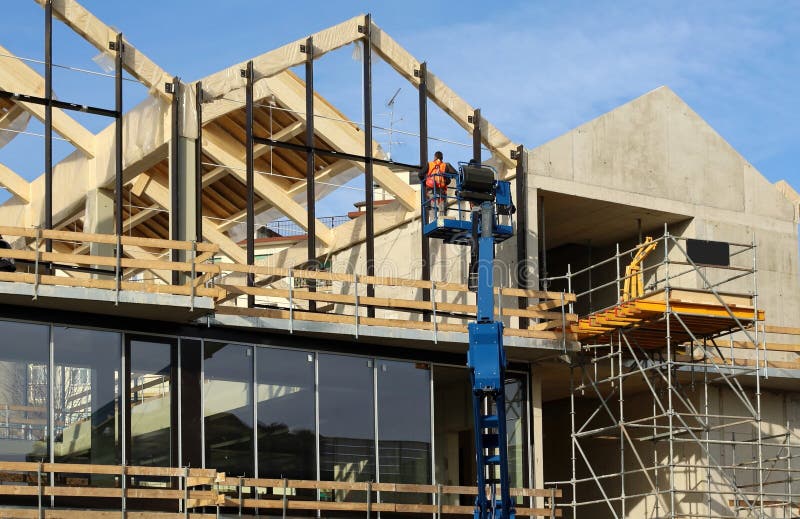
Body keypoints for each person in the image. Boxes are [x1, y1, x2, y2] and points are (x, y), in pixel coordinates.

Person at [418, 151, 456, 218]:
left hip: (431, 188)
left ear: (435, 157)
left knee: (433, 204)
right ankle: (442, 218)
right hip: (441, 189)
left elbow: (420, 174)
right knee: (442, 205)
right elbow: (448, 180)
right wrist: (445, 182)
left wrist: (425, 183)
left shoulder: (430, 164)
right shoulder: (445, 166)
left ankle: (433, 219)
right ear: (442, 158)